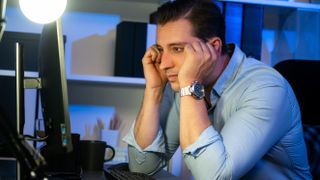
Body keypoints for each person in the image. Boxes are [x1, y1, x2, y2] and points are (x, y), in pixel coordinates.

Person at [123, 0, 311, 179]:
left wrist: (190, 85)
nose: (163, 64)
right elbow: (141, 166)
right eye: (161, 49)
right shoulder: (184, 83)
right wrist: (154, 90)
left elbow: (214, 176)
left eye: (177, 49)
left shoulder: (266, 88)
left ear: (213, 47)